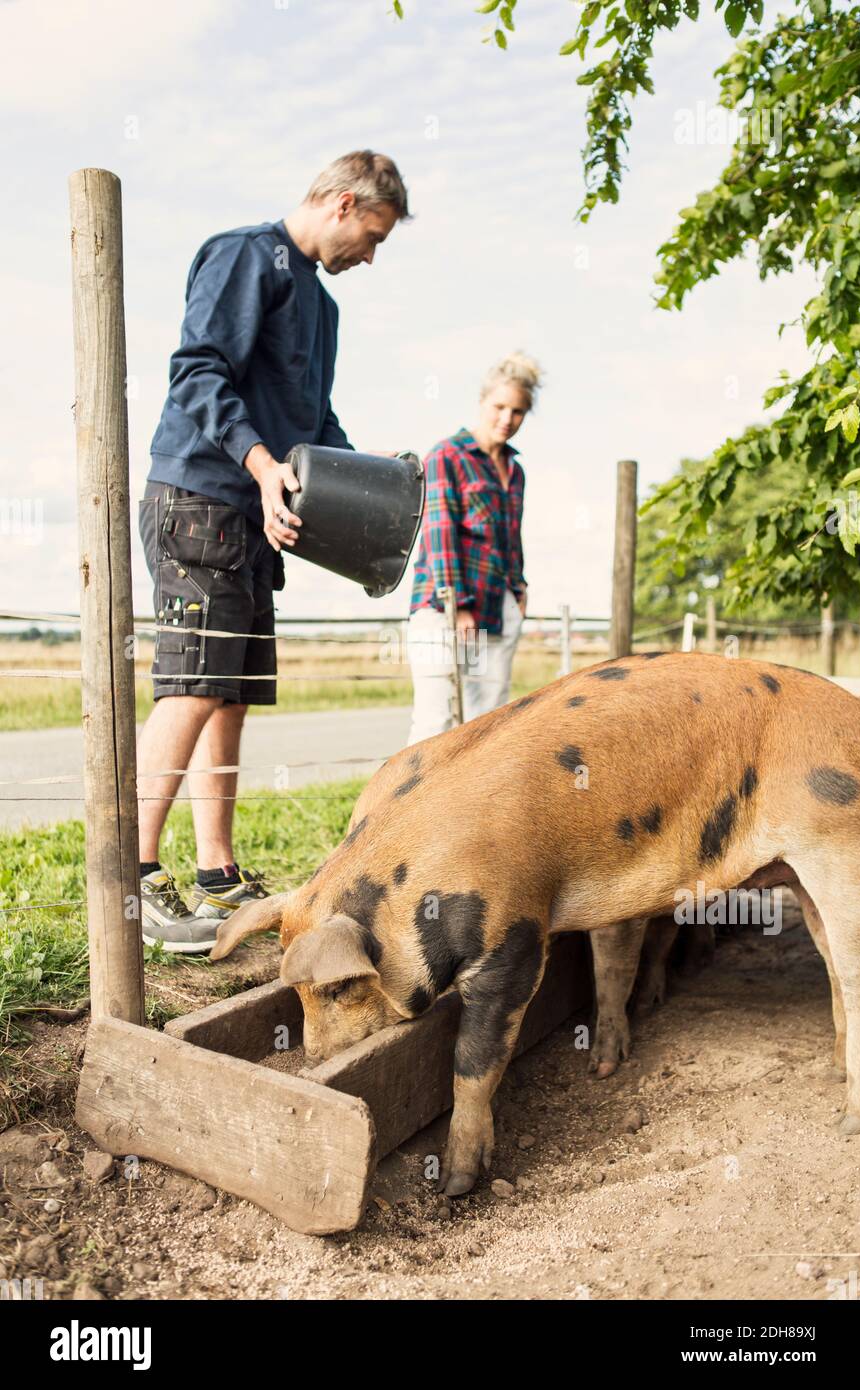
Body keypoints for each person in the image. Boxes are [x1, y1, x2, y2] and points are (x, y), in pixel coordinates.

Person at [137, 151, 411, 952]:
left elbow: (315, 428)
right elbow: (196, 373)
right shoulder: (245, 257)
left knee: (229, 694)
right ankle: (131, 874)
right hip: (202, 497)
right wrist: (260, 466)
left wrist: (371, 476)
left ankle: (216, 873)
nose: (371, 255)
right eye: (373, 235)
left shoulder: (322, 307)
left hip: (259, 516)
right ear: (342, 202)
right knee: (191, 685)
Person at [406, 352, 542, 745]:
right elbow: (440, 532)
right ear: (482, 401)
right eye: (499, 407)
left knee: (488, 728)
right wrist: (458, 606)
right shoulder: (446, 456)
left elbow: (511, 536)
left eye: (517, 411)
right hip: (444, 610)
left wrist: (519, 587)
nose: (507, 419)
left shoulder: (515, 471)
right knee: (436, 724)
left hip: (497, 609)